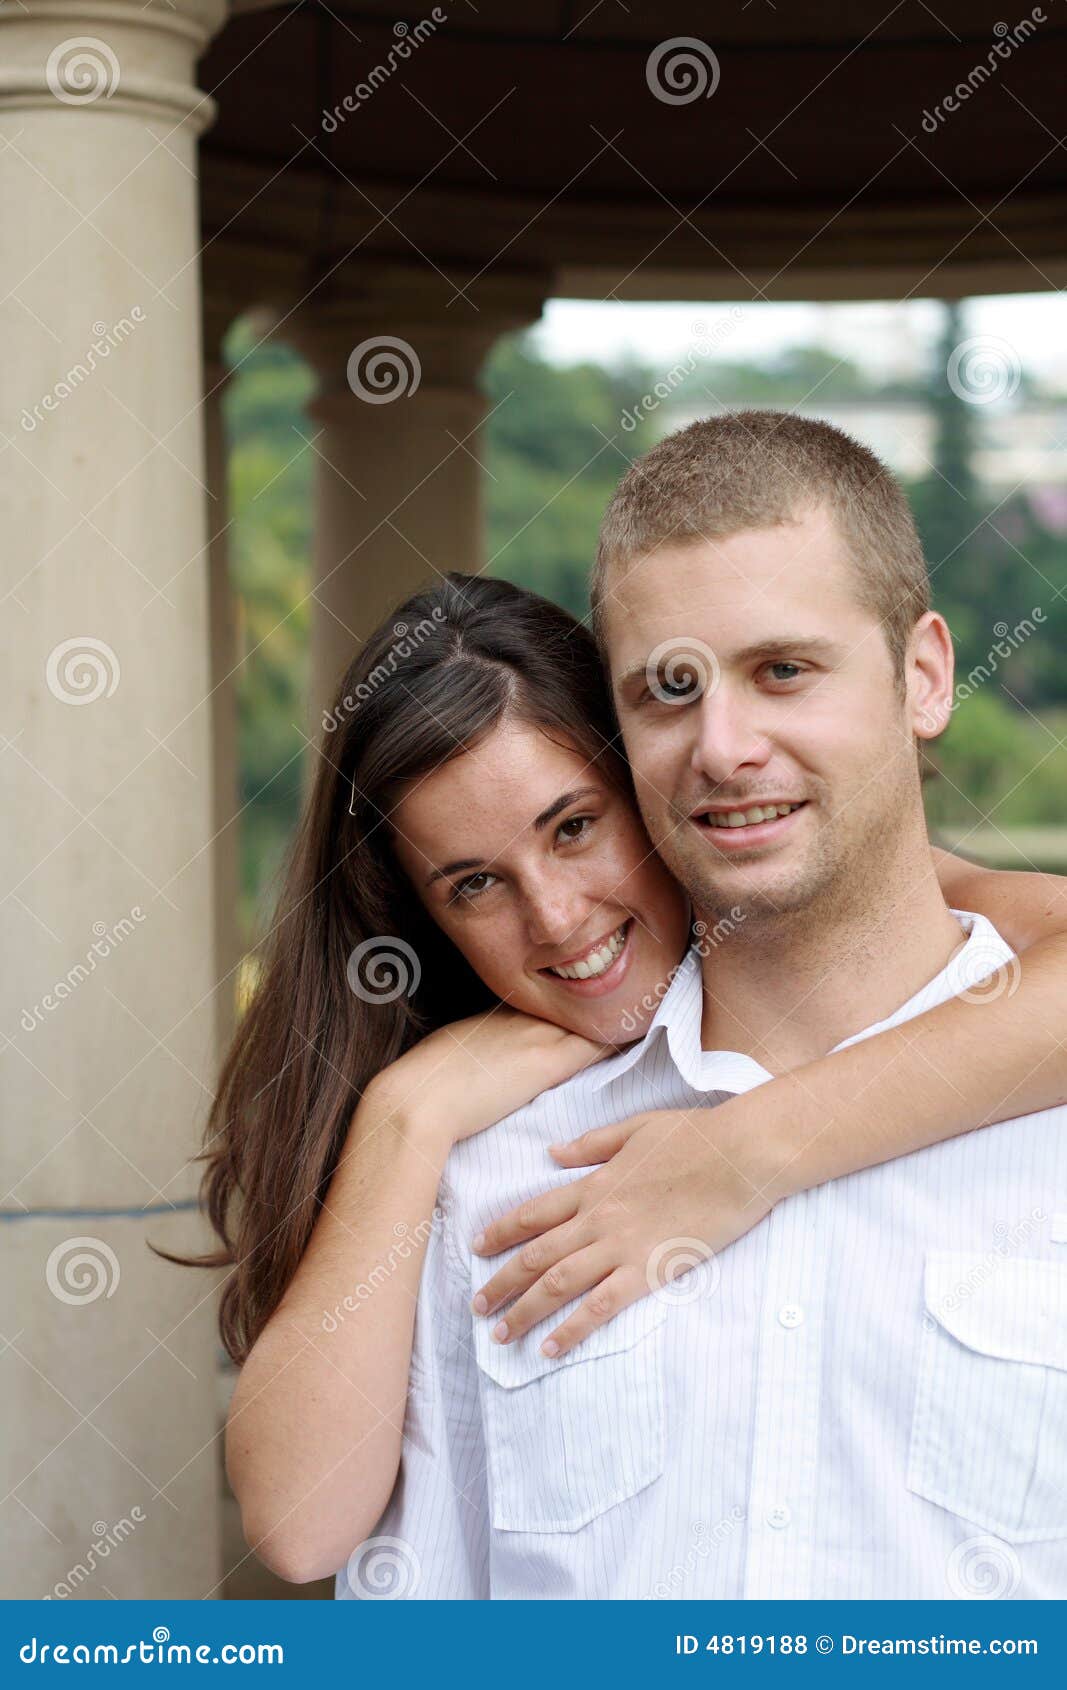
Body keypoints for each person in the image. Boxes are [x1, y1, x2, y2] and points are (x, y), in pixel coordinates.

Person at [210, 434, 1067, 1595]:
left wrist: (745, 1153)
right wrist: (404, 1116)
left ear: (921, 677)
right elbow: (342, 1549)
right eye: (668, 690)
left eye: (783, 670)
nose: (723, 746)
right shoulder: (482, 1174)